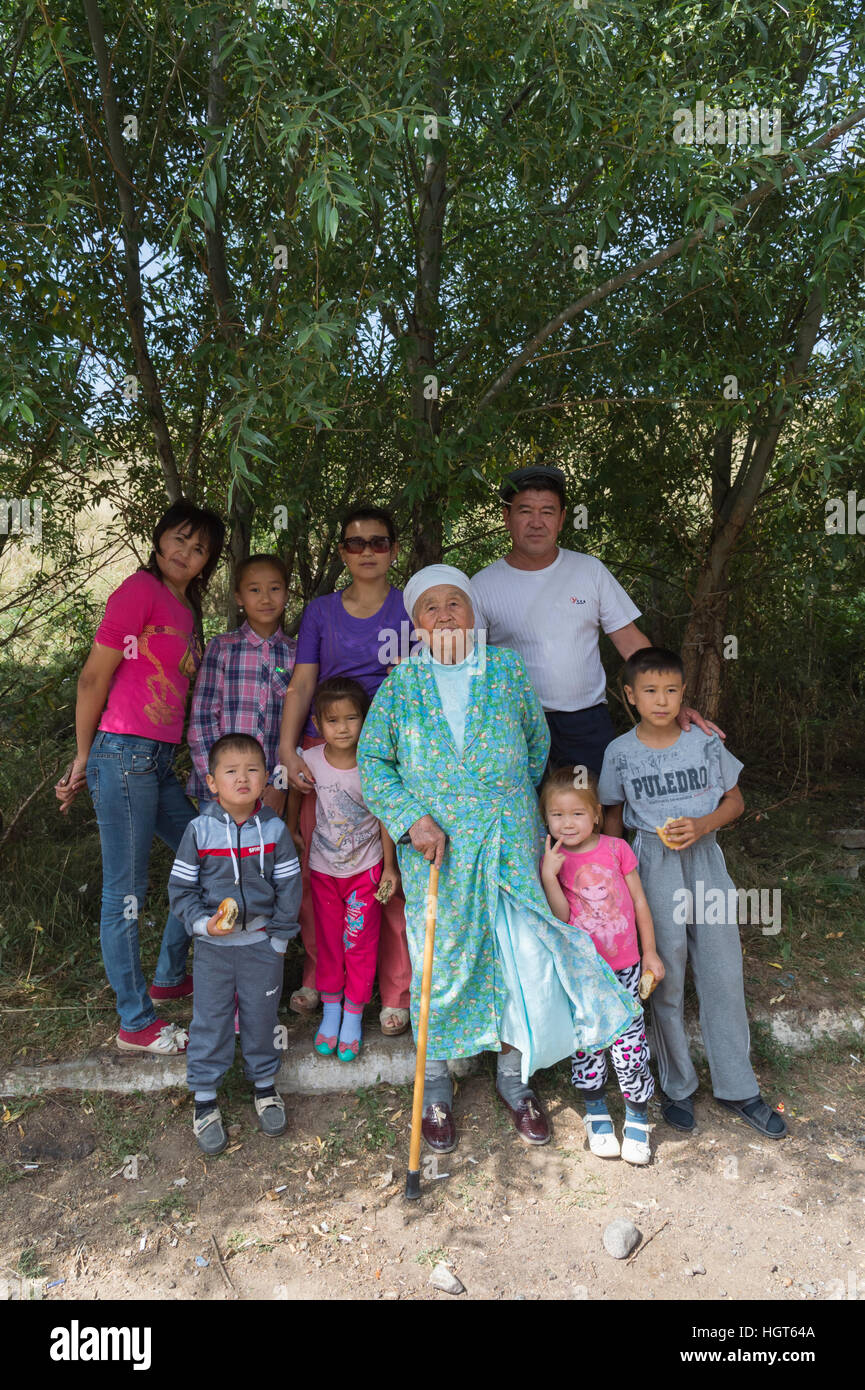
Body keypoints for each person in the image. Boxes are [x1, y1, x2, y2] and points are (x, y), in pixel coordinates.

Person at [357, 564, 640, 1153]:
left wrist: (506, 806)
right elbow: (374, 763)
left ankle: (516, 1080)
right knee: (445, 958)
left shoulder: (507, 671)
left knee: (519, 957)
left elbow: (537, 746)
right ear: (415, 622)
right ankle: (435, 1087)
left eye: (454, 603)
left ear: (474, 612)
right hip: (437, 845)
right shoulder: (402, 682)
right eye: (429, 606)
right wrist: (414, 818)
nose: (444, 614)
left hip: (509, 836)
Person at [55, 499, 225, 1055]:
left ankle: (169, 976)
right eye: (180, 539)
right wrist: (84, 758)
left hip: (155, 761)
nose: (187, 553)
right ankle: (136, 1021)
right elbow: (91, 680)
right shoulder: (138, 590)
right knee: (125, 892)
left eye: (199, 548)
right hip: (122, 754)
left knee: (201, 860)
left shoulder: (183, 606)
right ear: (158, 540)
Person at [598, 646, 787, 1139]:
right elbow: (613, 818)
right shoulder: (619, 752)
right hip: (650, 864)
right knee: (665, 971)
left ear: (685, 694)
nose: (662, 700)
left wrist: (702, 825)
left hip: (705, 859)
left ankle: (738, 1087)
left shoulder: (702, 741)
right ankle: (676, 1085)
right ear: (630, 696)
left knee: (722, 969)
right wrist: (617, 880)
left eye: (672, 690)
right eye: (650, 691)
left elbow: (736, 800)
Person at [471, 465, 722, 776]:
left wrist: (669, 704)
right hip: (514, 724)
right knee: (523, 817)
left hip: (585, 723)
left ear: (562, 519)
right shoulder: (481, 586)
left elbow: (631, 643)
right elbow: (468, 664)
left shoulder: (589, 571)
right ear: (506, 517)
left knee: (594, 812)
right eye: (525, 511)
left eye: (547, 512)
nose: (536, 522)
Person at [277, 507, 412, 1034]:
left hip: (392, 753)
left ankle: (395, 990)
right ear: (342, 553)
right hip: (327, 752)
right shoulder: (320, 612)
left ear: (394, 550)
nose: (367, 552)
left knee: (388, 874)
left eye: (378, 542)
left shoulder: (408, 608)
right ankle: (318, 974)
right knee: (322, 869)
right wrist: (289, 751)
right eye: (355, 544)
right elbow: (302, 685)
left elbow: (419, 684)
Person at [168, 734, 301, 1155]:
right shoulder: (199, 830)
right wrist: (204, 926)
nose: (242, 778)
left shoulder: (275, 830)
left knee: (262, 1016)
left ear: (266, 779)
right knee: (211, 1018)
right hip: (213, 950)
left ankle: (264, 1086)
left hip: (262, 945)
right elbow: (181, 891)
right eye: (230, 771)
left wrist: (279, 939)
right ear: (211, 782)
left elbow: (290, 887)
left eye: (252, 770)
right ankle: (205, 1097)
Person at [539, 768, 664, 1165]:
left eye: (577, 814)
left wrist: (652, 954)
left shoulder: (616, 849)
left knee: (630, 1046)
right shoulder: (554, 859)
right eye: (557, 815)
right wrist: (548, 875)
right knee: (589, 1043)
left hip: (626, 968)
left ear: (595, 814)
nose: (567, 823)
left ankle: (638, 1118)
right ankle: (596, 1113)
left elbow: (640, 904)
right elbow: (561, 916)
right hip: (584, 973)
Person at [303, 677, 399, 1061]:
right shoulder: (309, 760)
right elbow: (296, 792)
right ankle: (331, 1010)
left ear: (366, 719)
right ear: (317, 723)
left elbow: (386, 817)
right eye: (332, 720)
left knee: (358, 943)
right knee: (328, 940)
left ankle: (354, 1016)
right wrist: (296, 832)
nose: (342, 728)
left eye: (351, 718)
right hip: (324, 870)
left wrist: (389, 867)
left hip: (366, 871)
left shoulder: (374, 764)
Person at [187, 554, 297, 811]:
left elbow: (298, 728)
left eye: (274, 588)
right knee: (221, 851)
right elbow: (203, 719)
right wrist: (216, 782)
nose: (266, 598)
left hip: (270, 789)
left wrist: (280, 785)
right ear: (239, 597)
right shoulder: (223, 648)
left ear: (286, 594)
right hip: (219, 792)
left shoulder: (296, 653)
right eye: (254, 590)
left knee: (266, 851)